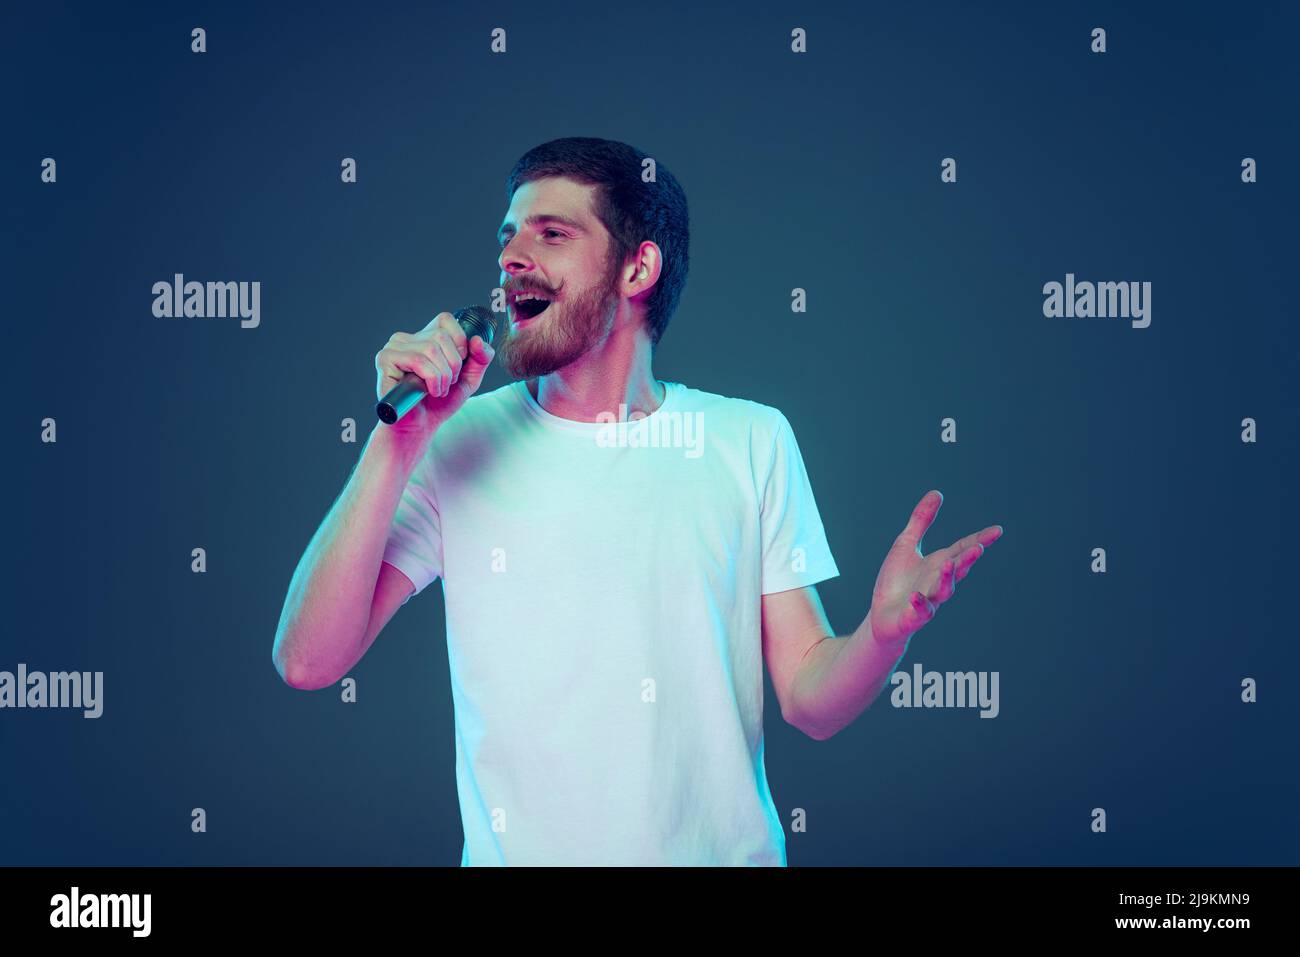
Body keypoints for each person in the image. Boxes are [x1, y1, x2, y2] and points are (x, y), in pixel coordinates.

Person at [272, 137, 1003, 866]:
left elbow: (810, 701)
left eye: (552, 233)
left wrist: (882, 633)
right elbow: (308, 661)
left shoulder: (750, 440)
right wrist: (398, 442)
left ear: (638, 268)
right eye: (509, 236)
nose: (512, 257)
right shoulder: (456, 442)